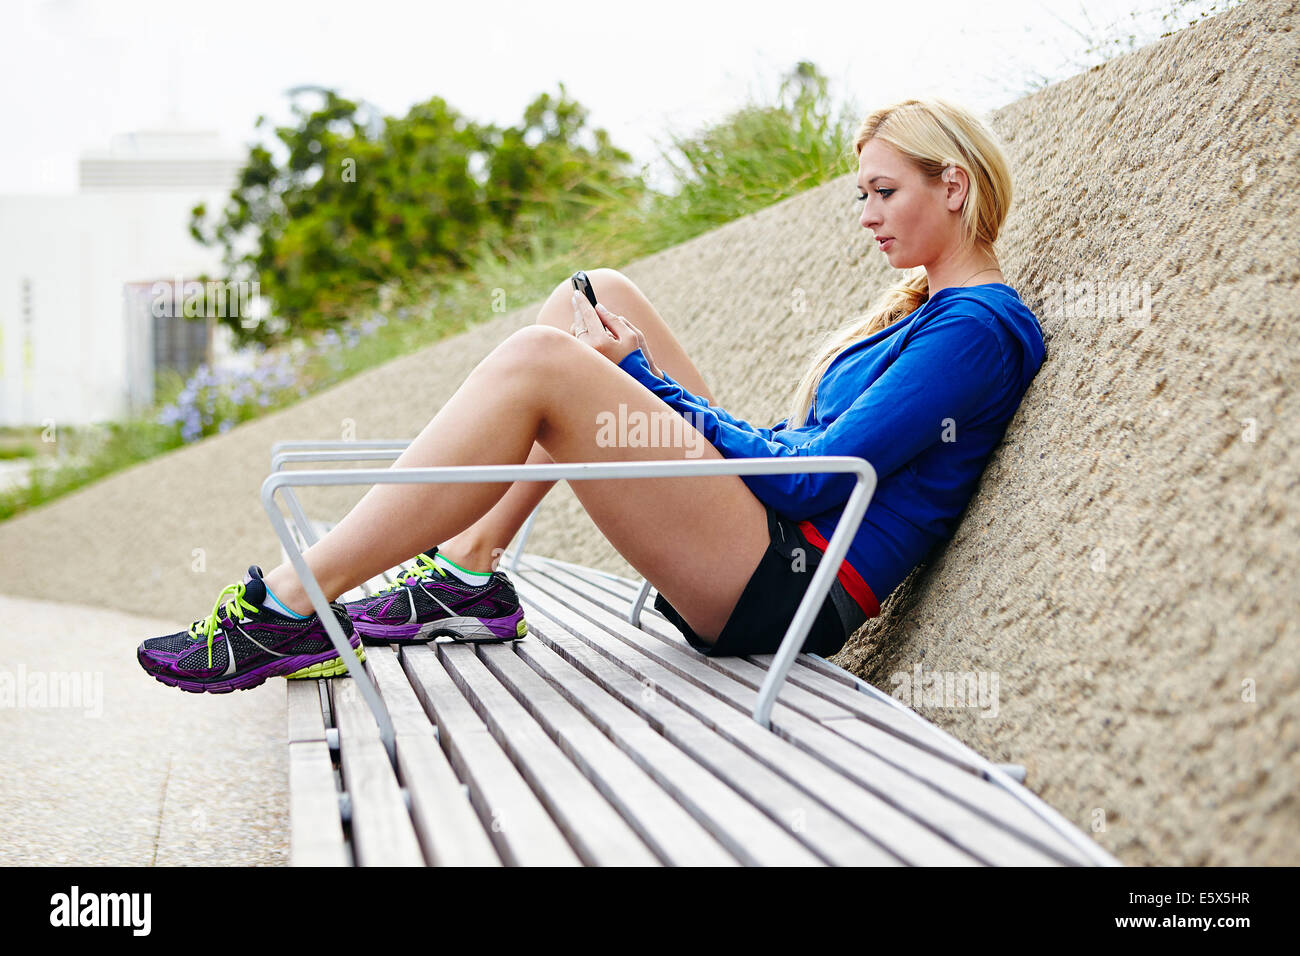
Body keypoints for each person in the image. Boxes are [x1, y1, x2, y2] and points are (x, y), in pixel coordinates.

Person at [137, 95, 1045, 694]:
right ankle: (468, 571)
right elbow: (806, 457)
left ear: (954, 185)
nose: (867, 215)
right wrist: (639, 376)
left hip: (786, 588)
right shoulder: (928, 309)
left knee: (544, 362)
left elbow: (815, 480)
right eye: (861, 194)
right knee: (591, 296)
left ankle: (295, 606)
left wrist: (640, 380)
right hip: (769, 537)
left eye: (884, 192)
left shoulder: (974, 329)